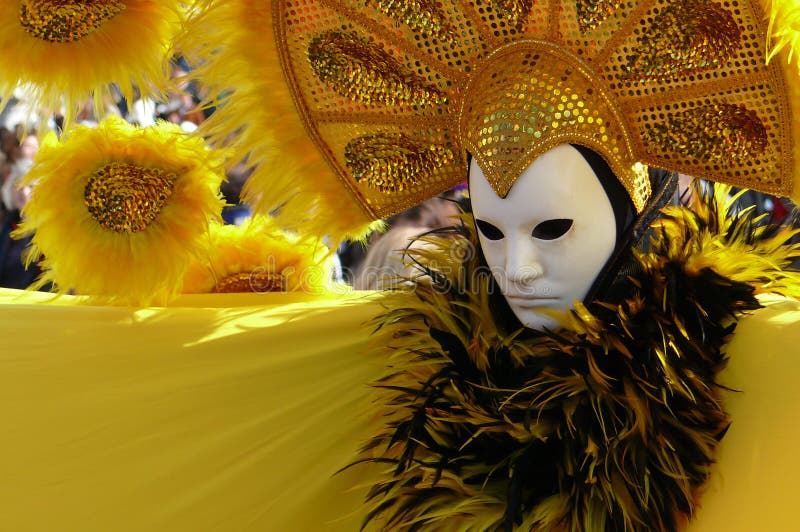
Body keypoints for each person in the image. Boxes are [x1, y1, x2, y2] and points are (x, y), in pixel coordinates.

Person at [0, 1, 798, 531]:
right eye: (492, 232)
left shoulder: (744, 362)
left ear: (627, 214)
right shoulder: (416, 366)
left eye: (553, 227)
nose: (518, 269)